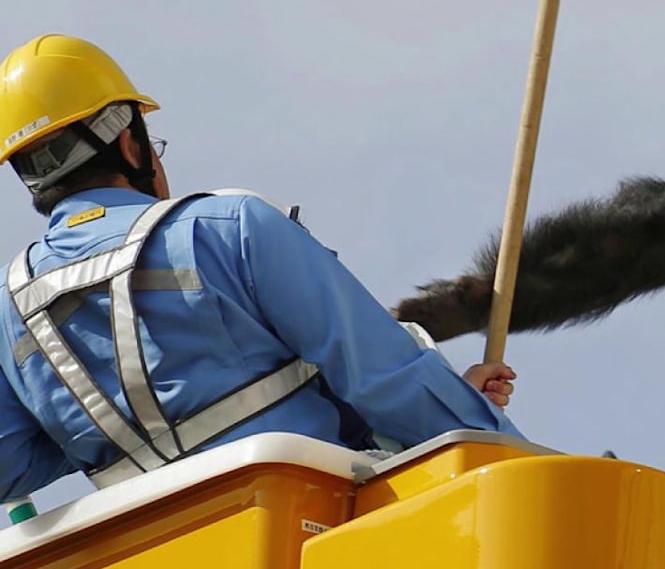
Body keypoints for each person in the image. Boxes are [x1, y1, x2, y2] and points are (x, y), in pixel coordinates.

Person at [0, 34, 523, 502]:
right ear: (128, 141)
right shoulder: (228, 227)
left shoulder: (12, 308)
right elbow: (386, 377)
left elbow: (9, 466)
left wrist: (104, 421)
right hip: (300, 527)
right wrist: (489, 440)